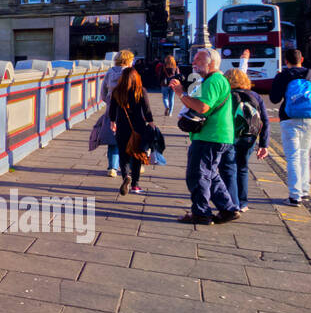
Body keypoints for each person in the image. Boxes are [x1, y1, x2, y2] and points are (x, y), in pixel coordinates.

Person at [168, 46, 240, 225]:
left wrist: (180, 94)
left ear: (211, 63)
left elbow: (202, 107)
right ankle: (228, 209)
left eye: (198, 60)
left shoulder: (214, 80)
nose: (194, 63)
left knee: (197, 175)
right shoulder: (213, 80)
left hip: (210, 136)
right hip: (216, 135)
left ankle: (201, 213)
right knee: (211, 175)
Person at [268, 48, 311, 206]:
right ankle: (305, 191)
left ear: (286, 61)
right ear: (302, 60)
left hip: (289, 119)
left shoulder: (283, 76)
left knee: (293, 157)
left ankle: (295, 196)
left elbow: (274, 99)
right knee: (304, 155)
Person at [226, 68, 269, 212]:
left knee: (230, 169)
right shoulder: (255, 95)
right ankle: (243, 203)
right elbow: (265, 121)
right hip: (250, 137)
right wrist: (264, 144)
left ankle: (233, 204)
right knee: (243, 168)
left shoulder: (227, 95)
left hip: (230, 136)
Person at [108, 68, 154, 195]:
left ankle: (126, 177)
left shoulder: (117, 91)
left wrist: (113, 122)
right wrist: (151, 123)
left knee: (123, 155)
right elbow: (147, 109)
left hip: (122, 127)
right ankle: (135, 185)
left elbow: (112, 109)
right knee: (137, 156)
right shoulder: (140, 91)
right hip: (138, 128)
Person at [99, 49, 134, 177]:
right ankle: (129, 166)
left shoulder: (110, 72)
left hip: (112, 110)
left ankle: (112, 168)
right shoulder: (132, 73)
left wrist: (109, 102)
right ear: (129, 60)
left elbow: (103, 92)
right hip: (128, 111)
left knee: (113, 140)